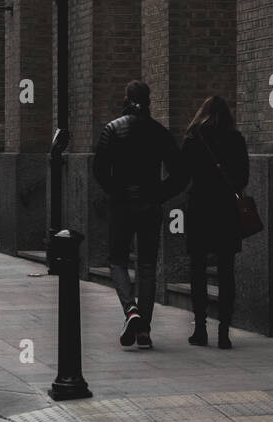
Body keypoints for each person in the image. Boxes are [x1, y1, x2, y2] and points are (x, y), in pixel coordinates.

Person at [93, 80, 184, 349]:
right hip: (150, 205)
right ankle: (143, 329)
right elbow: (180, 174)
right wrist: (159, 194)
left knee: (117, 260)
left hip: (121, 205)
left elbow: (100, 171)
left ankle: (130, 310)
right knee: (146, 266)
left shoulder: (112, 129)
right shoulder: (159, 132)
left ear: (126, 98)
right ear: (149, 101)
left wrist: (115, 192)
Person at [181, 95, 249, 350]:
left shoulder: (193, 140)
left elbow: (183, 174)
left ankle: (200, 329)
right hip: (226, 210)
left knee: (197, 271)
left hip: (200, 208)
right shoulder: (236, 139)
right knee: (226, 272)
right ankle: (224, 332)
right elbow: (243, 177)